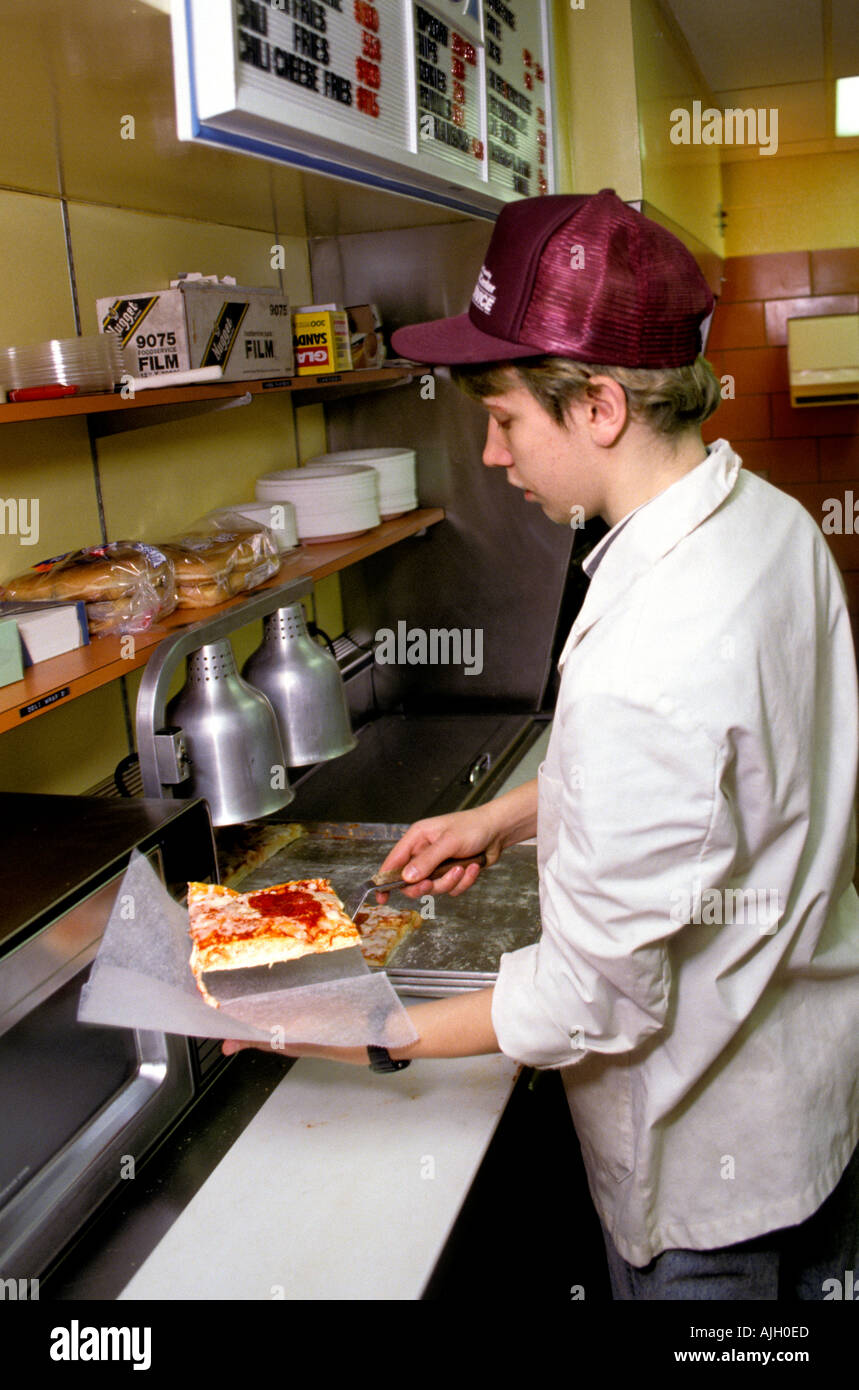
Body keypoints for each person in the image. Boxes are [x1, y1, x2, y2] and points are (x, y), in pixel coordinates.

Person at [225, 189, 859, 1301]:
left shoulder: (650, 654)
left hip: (708, 1177)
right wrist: (506, 816)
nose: (489, 449)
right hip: (809, 1093)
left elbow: (588, 1000)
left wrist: (362, 1030)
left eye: (506, 417)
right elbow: (734, 783)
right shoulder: (770, 523)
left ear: (600, 405)